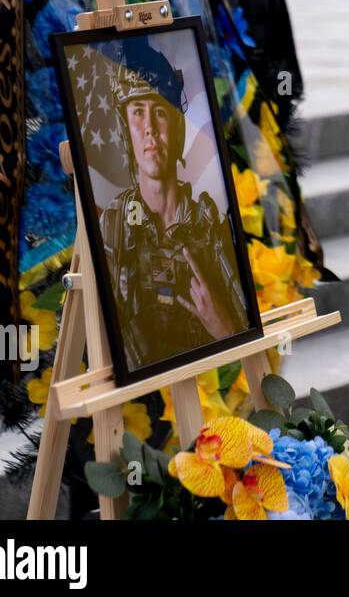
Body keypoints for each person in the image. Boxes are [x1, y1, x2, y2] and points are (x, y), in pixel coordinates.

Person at [99, 35, 250, 370]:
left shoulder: (207, 223)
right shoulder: (114, 223)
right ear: (126, 130)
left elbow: (244, 341)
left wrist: (222, 326)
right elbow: (100, 338)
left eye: (160, 112)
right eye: (138, 112)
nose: (150, 128)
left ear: (177, 127)